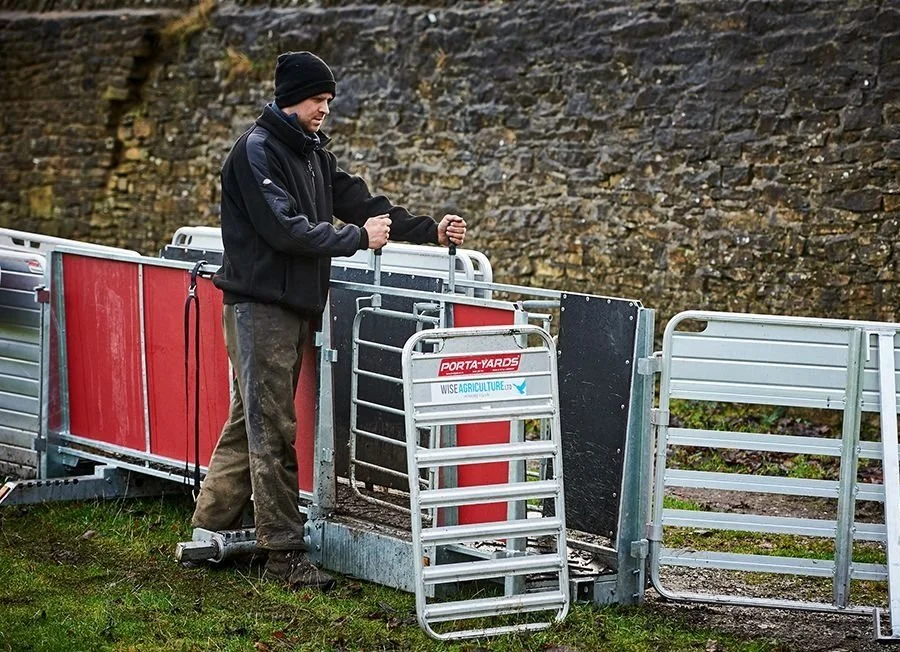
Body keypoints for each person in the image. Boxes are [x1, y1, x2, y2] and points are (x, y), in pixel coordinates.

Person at [189, 51, 467, 589]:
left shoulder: (310, 151)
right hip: (258, 307)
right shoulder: (256, 153)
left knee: (250, 422)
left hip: (289, 306)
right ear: (294, 97)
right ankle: (284, 555)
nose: (326, 111)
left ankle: (207, 532)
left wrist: (429, 230)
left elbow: (358, 200)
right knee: (272, 429)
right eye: (320, 101)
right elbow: (286, 231)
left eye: (328, 102)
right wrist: (358, 240)